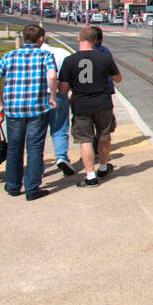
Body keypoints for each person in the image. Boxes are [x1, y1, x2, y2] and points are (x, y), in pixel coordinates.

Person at [0, 24, 59, 200]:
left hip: (13, 111)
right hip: (37, 108)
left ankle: (13, 186)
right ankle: (32, 188)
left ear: (23, 37)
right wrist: (52, 97)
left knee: (15, 148)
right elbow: (52, 77)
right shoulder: (46, 55)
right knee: (35, 148)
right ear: (41, 39)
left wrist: (0, 103)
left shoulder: (8, 56)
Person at [59, 26, 122, 187]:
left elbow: (63, 88)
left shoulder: (69, 61)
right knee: (104, 136)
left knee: (85, 140)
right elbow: (118, 78)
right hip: (103, 102)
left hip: (81, 104)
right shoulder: (104, 58)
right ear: (95, 40)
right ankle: (103, 167)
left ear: (78, 40)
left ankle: (90, 176)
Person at [40, 35, 75, 177]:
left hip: (36, 96)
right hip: (59, 94)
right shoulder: (61, 52)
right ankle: (61, 157)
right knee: (60, 127)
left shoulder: (22, 55)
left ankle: (37, 165)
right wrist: (70, 90)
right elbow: (73, 72)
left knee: (37, 132)